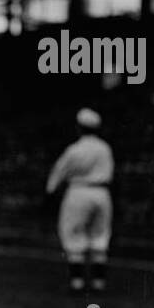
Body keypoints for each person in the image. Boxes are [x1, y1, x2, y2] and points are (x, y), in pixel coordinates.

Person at [46, 108, 115, 293]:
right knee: (99, 236)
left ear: (79, 128)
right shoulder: (105, 148)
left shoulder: (75, 149)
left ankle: (77, 282)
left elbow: (59, 171)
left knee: (74, 234)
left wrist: (51, 190)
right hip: (102, 193)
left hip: (79, 192)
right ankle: (98, 282)